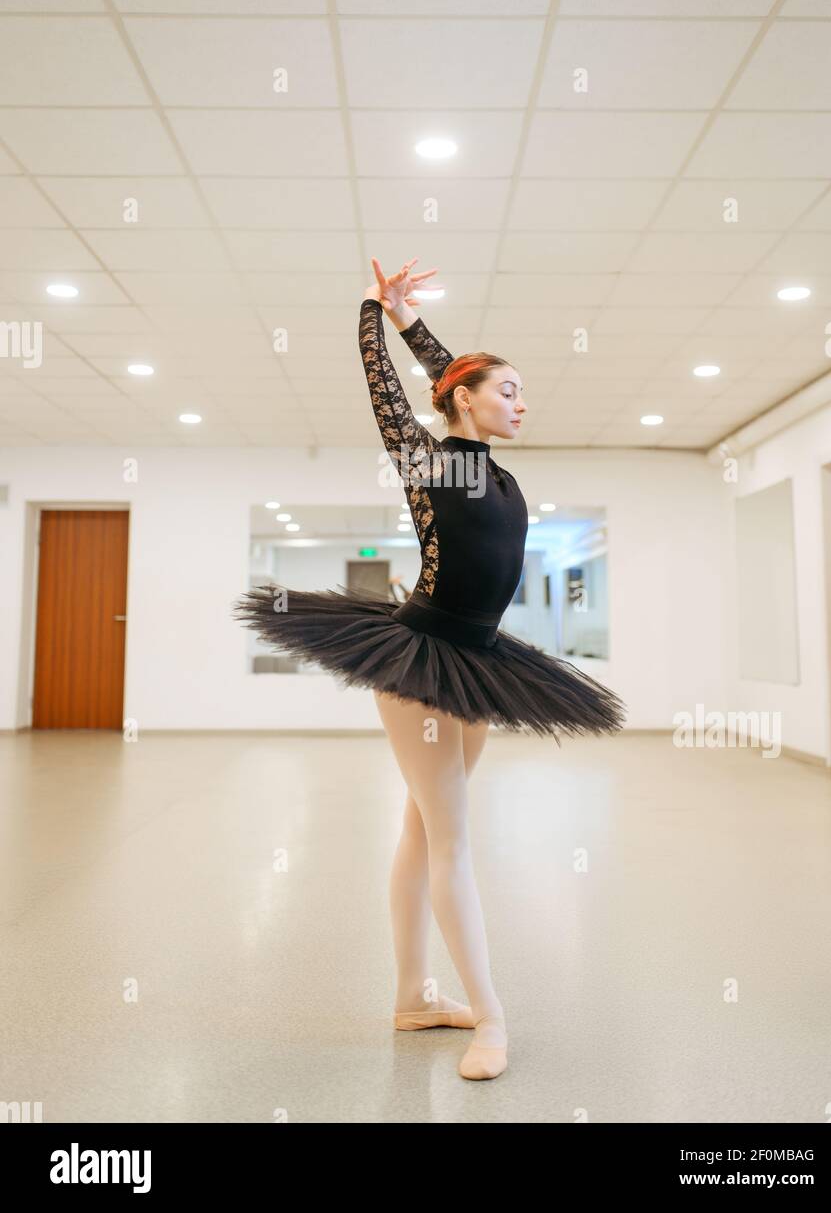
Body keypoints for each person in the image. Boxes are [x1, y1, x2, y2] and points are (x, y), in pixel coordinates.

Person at [232, 257, 626, 1081]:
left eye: (520, 391)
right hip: (421, 661)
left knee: (423, 829)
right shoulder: (429, 462)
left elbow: (445, 369)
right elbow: (388, 387)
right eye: (508, 390)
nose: (521, 402)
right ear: (462, 400)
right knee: (451, 843)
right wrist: (375, 312)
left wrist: (416, 320)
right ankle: (492, 1019)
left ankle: (414, 998)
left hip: (480, 663)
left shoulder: (497, 468)